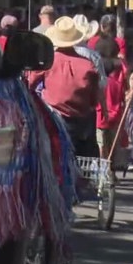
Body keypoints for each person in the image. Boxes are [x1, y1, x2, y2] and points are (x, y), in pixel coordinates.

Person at [28, 17, 101, 158]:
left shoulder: (49, 60)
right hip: (81, 120)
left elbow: (30, 83)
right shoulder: (88, 65)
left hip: (53, 117)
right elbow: (94, 99)